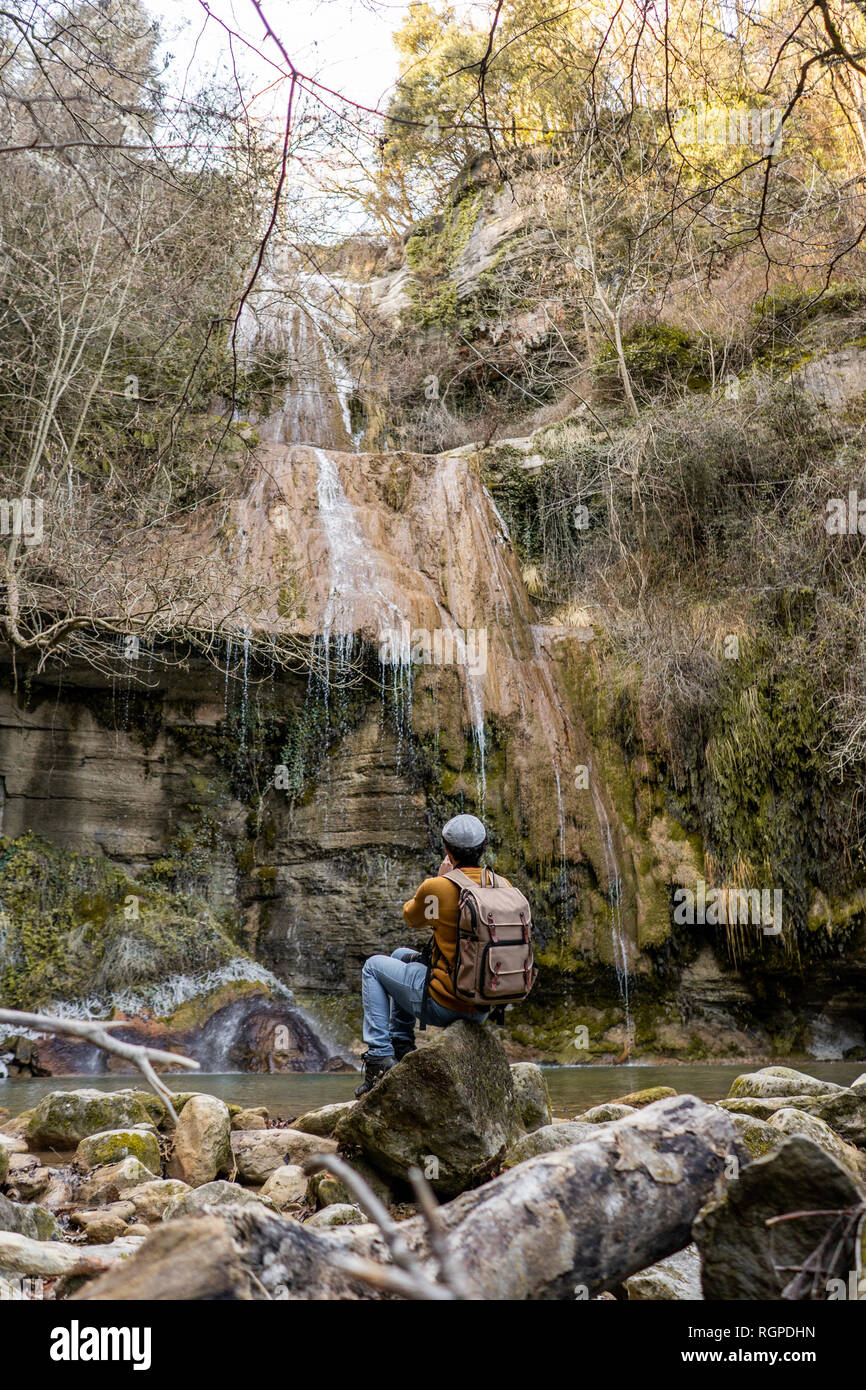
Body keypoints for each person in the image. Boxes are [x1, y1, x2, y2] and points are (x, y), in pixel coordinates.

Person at [355, 813, 496, 1097]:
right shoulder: (498, 884)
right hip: (482, 1005)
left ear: (447, 849)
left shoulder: (439, 887)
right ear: (483, 849)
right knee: (399, 955)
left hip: (445, 1002)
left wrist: (439, 879)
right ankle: (401, 1045)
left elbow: (411, 917)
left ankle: (379, 1059)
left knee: (372, 967)